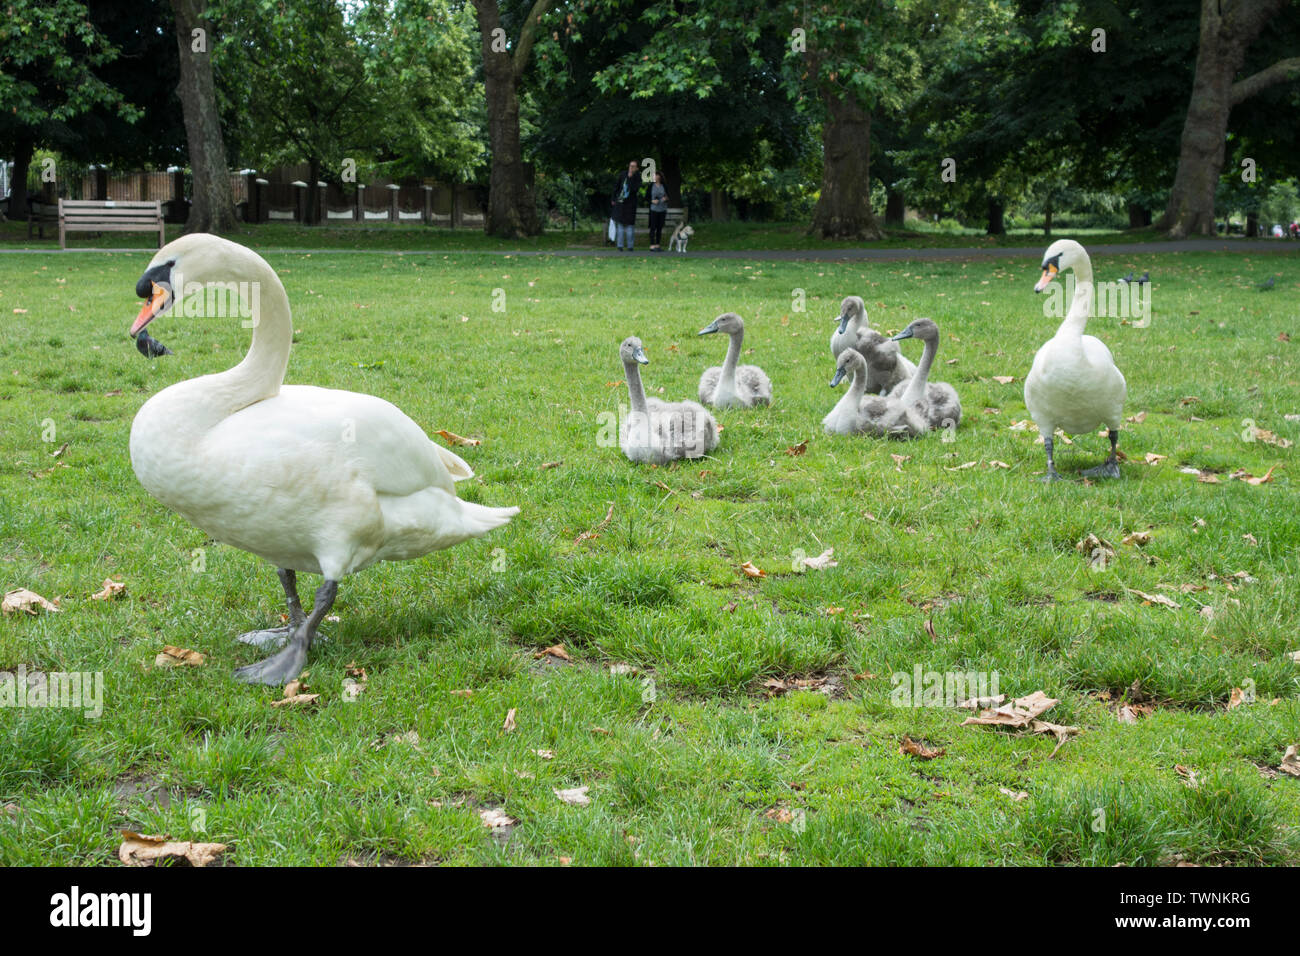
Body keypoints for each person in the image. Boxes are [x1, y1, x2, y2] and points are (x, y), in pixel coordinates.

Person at [610, 159, 639, 251]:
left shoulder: (637, 177)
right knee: (620, 225)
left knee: (630, 226)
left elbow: (635, 189)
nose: (631, 168)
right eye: (630, 165)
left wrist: (630, 178)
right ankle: (620, 246)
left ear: (637, 168)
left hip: (630, 205)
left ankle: (630, 247)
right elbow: (616, 187)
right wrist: (613, 198)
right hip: (621, 204)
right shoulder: (622, 174)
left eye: (633, 166)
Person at [647, 171, 668, 251]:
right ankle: (652, 245)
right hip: (653, 210)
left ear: (660, 177)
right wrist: (652, 201)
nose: (656, 178)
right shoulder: (651, 186)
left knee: (659, 228)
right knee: (653, 228)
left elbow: (667, 196)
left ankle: (657, 245)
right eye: (655, 176)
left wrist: (665, 198)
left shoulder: (664, 186)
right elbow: (647, 197)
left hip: (662, 209)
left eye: (657, 176)